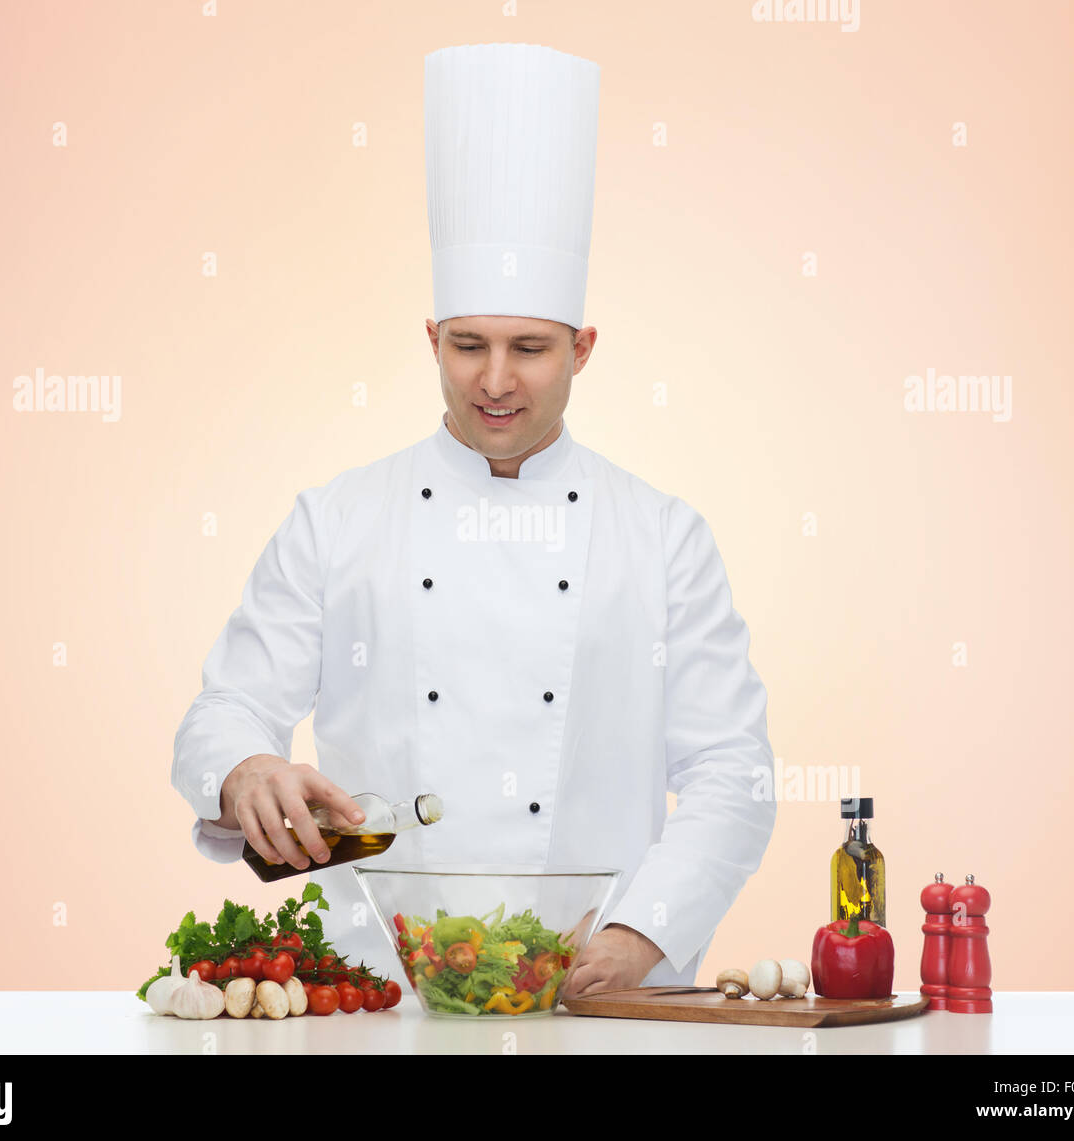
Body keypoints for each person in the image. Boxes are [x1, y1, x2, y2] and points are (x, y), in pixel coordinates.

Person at [171, 43, 776, 997]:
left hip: (595, 994)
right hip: (377, 996)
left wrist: (639, 935)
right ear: (431, 339)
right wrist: (244, 764)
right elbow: (224, 707)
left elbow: (731, 771)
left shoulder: (662, 538)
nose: (495, 381)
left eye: (530, 347)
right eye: (469, 346)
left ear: (582, 348)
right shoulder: (337, 520)